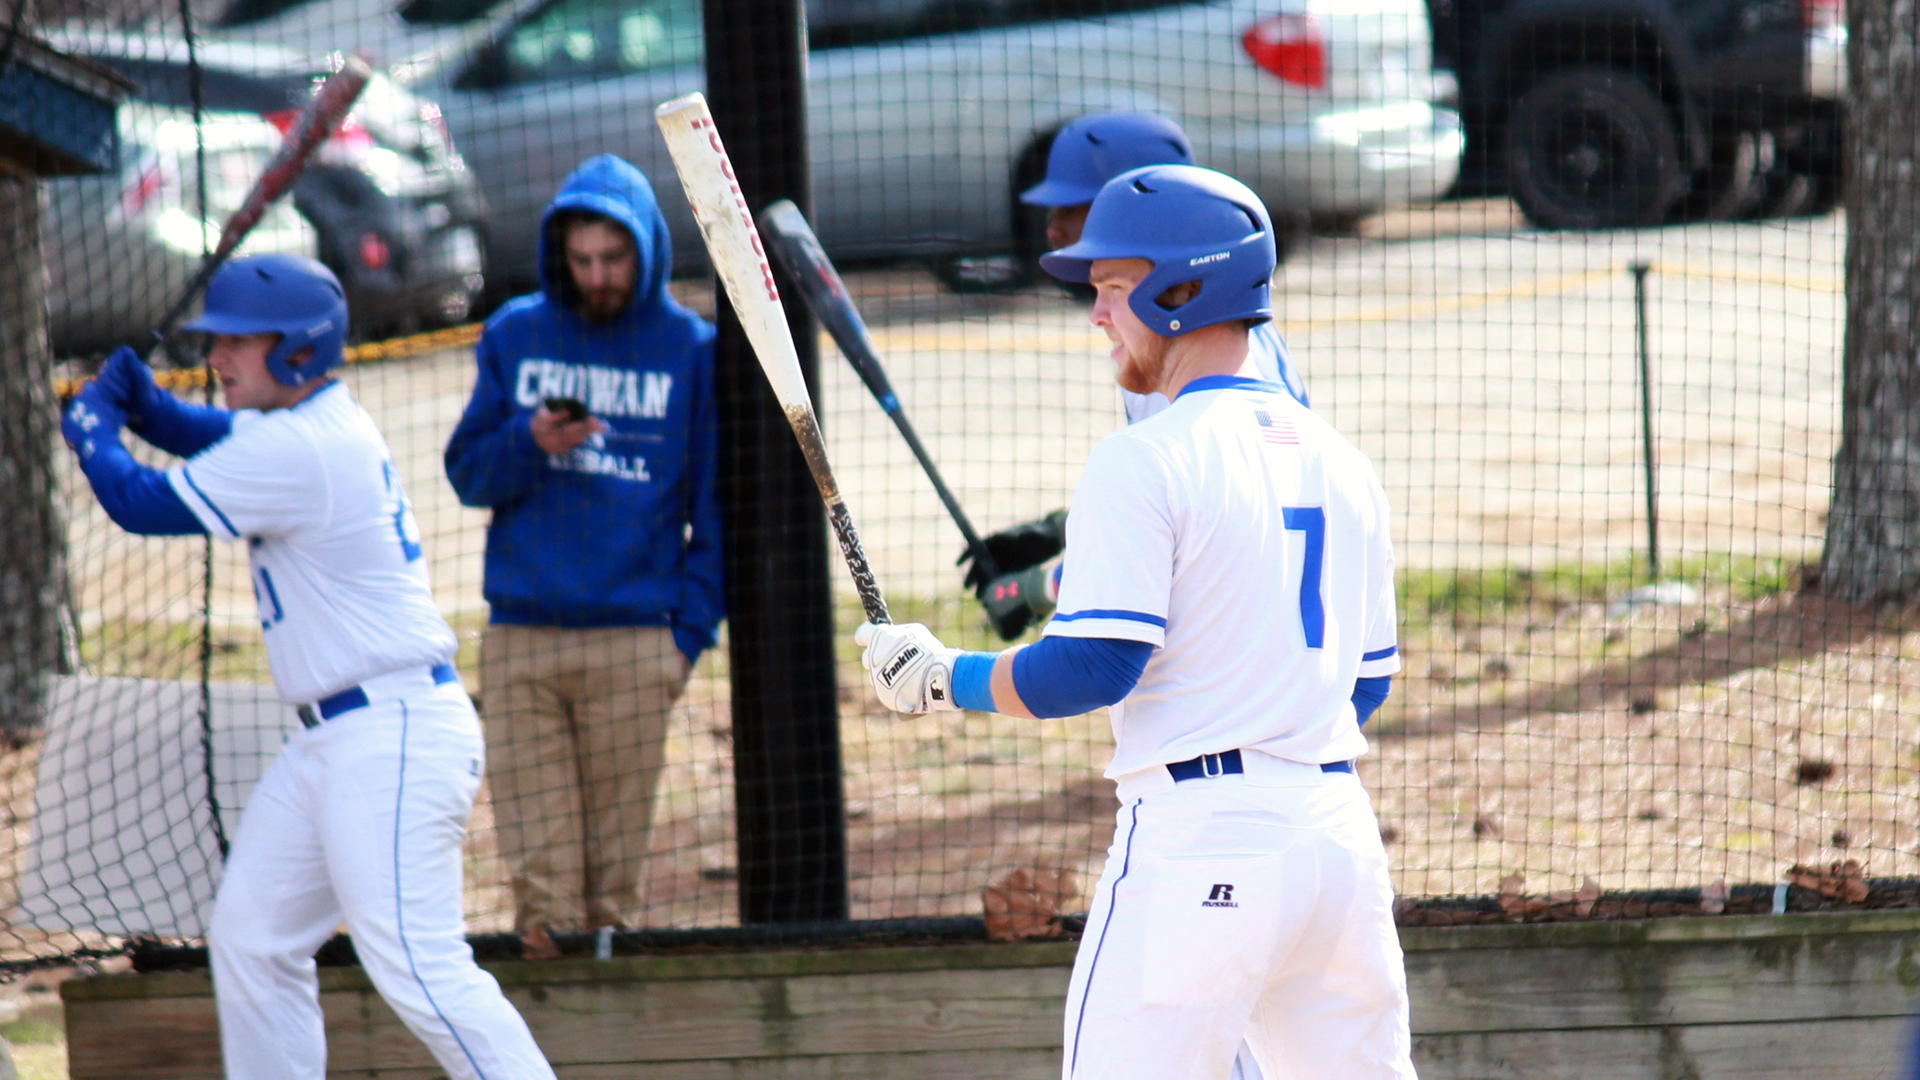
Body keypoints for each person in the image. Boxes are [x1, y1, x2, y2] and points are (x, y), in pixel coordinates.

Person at [855, 165, 1413, 1080]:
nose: (1097, 313)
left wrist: (939, 676)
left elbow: (1091, 667)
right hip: (1337, 844)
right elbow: (1368, 683)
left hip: (1202, 845)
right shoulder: (1343, 461)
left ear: (1182, 288)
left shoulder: (1145, 458)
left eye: (1114, 287)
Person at [60, 254, 555, 1079]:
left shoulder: (302, 448)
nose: (217, 359)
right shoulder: (303, 424)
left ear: (297, 351)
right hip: (336, 740)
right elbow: (211, 432)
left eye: (237, 344)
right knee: (252, 939)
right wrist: (144, 405)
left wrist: (93, 426)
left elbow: (136, 503)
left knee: (421, 971)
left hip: (391, 738)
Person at [444, 154, 722, 956]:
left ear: (648, 254)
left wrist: (686, 639)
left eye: (615, 258)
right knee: (542, 895)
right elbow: (469, 474)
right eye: (584, 259)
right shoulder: (515, 334)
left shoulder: (690, 351)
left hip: (635, 643)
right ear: (559, 256)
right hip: (522, 640)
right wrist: (528, 442)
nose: (599, 276)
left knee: (611, 898)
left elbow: (715, 512)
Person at [964, 110, 1312, 639]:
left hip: (1241, 639)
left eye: (1077, 206)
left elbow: (1191, 537)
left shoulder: (1185, 353)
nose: (1053, 227)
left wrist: (1039, 588)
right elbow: (1193, 495)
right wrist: (1062, 528)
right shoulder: (1223, 333)